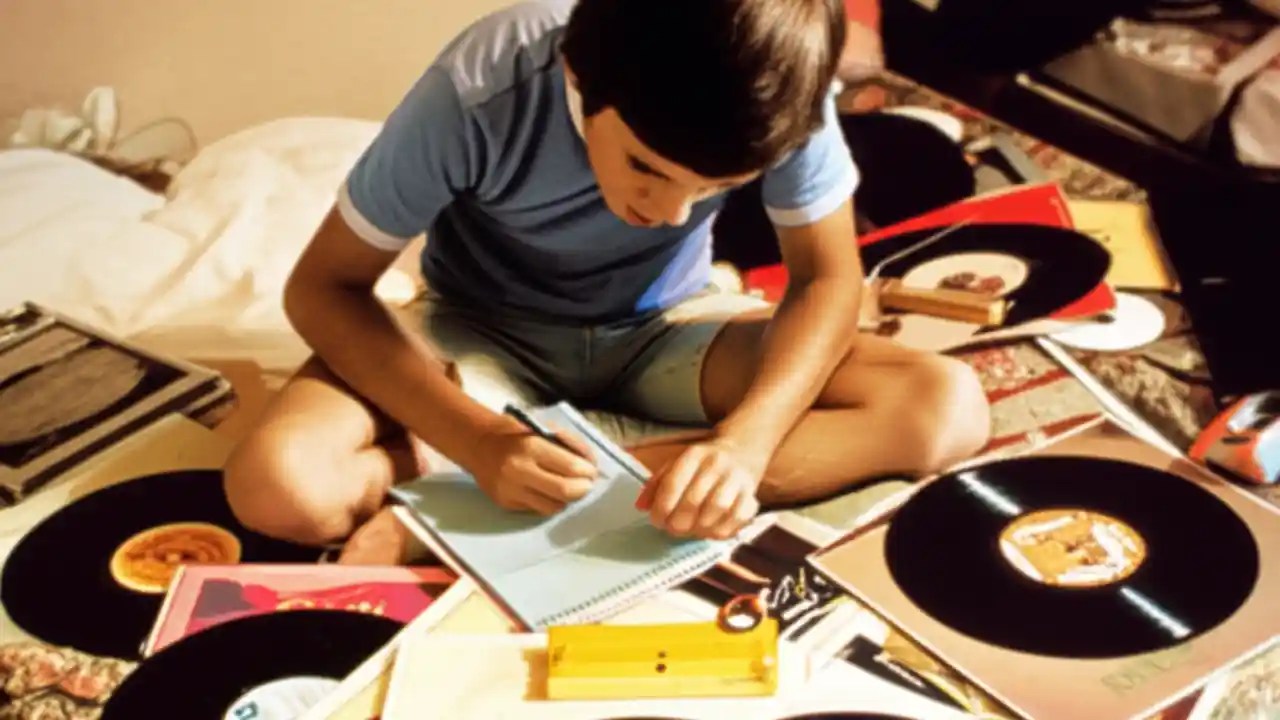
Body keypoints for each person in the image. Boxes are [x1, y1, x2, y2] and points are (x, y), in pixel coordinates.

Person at [223, 0, 991, 557]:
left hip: (671, 330)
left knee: (946, 407)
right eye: (646, 168)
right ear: (578, 73)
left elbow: (826, 279)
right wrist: (478, 441)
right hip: (480, 333)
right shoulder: (482, 85)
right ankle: (545, 473)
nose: (670, 213)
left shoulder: (782, 87)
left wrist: (746, 447)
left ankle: (485, 501)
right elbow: (323, 288)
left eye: (715, 187)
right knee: (280, 487)